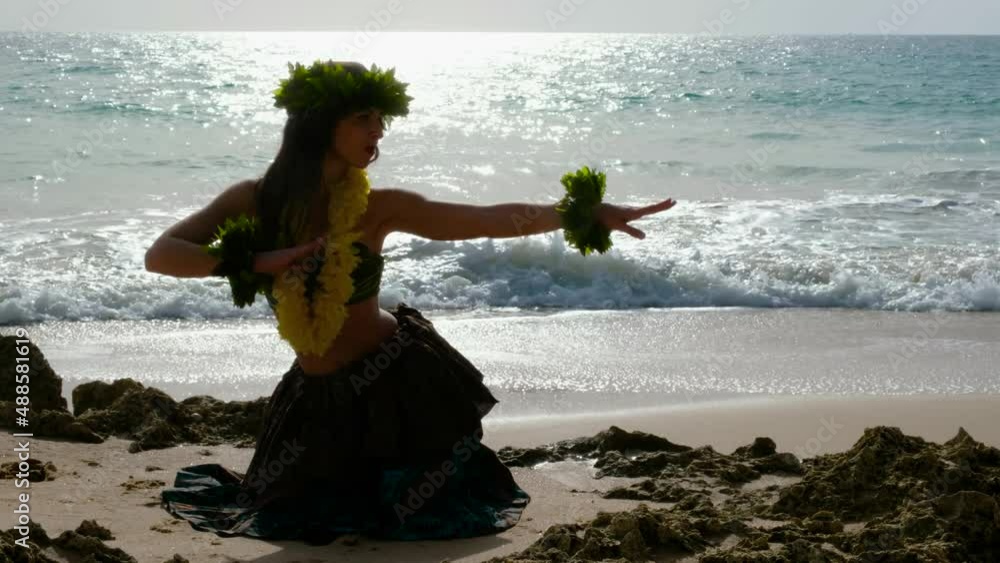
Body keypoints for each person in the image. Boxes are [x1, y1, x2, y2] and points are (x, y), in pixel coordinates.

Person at [146, 60, 677, 545]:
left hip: (393, 382)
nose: (378, 130)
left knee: (407, 511)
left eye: (381, 118)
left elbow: (488, 218)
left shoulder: (379, 207)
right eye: (363, 117)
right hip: (314, 394)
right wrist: (260, 262)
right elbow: (162, 254)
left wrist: (585, 213)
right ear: (320, 123)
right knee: (292, 509)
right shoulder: (255, 201)